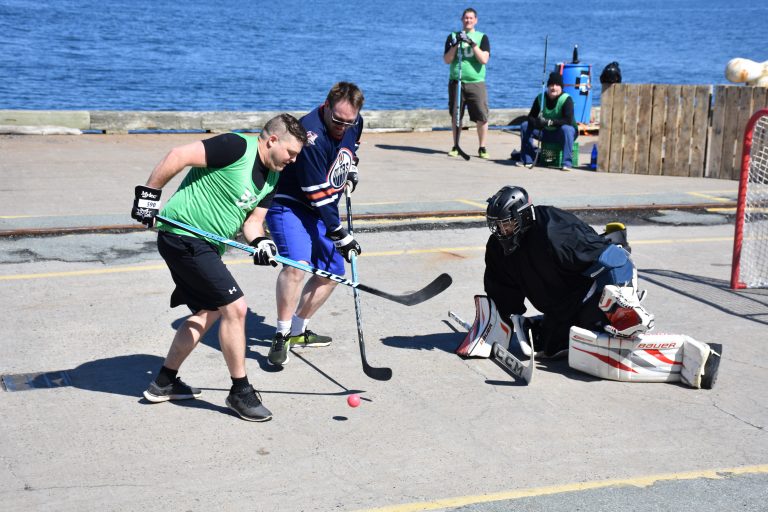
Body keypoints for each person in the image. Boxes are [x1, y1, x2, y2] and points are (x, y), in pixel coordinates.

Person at [130, 113, 307, 422]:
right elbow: (179, 155)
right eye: (291, 153)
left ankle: (164, 381)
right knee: (236, 308)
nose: (292, 160)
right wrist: (150, 196)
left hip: (208, 246)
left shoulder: (274, 176)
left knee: (208, 313)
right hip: (184, 236)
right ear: (273, 140)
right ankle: (240, 392)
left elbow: (253, 222)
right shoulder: (236, 146)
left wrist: (261, 243)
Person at [482, 185, 653, 358]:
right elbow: (500, 290)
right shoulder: (497, 248)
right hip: (560, 305)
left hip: (587, 294)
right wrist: (497, 324)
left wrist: (623, 300)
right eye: (496, 226)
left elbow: (615, 259)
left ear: (523, 216)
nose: (501, 232)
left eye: (507, 225)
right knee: (549, 348)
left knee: (594, 328)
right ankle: (548, 325)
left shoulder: (556, 232)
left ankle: (618, 315)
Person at [264, 82, 364, 367]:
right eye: (337, 120)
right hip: (290, 204)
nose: (342, 126)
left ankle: (298, 330)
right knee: (296, 265)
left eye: (349, 121)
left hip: (321, 207)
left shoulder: (353, 123)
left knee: (333, 271)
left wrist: (351, 168)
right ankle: (281, 335)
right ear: (326, 106)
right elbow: (317, 194)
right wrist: (341, 235)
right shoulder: (311, 136)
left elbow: (351, 148)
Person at [443, 7, 491, 159]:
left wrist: (472, 44)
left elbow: (484, 59)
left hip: (476, 83)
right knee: (456, 116)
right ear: (462, 19)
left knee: (482, 116)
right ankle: (456, 145)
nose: (468, 20)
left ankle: (482, 147)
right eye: (466, 18)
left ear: (475, 20)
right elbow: (446, 60)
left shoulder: (482, 37)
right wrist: (456, 44)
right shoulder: (452, 36)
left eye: (471, 18)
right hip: (456, 82)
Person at [518, 72, 578, 171]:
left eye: (557, 85)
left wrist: (548, 122)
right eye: (551, 85)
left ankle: (567, 163)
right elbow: (530, 117)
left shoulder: (567, 99)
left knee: (567, 129)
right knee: (525, 125)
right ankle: (528, 159)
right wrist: (536, 122)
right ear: (548, 86)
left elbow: (567, 120)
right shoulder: (540, 98)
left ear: (561, 87)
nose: (554, 87)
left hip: (563, 133)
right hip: (546, 132)